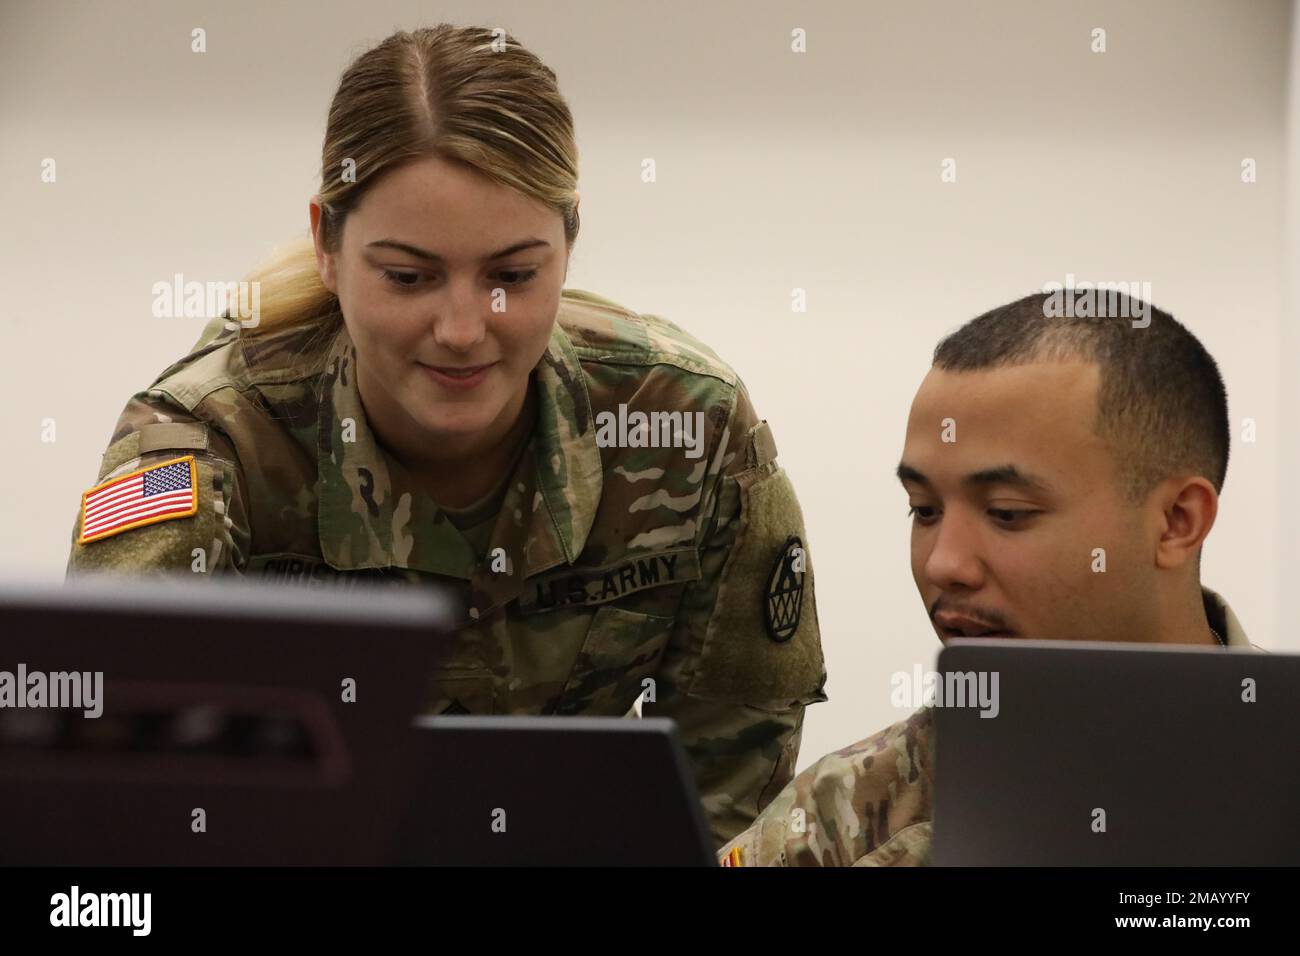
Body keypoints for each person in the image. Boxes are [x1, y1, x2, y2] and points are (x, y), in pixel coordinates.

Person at [65, 24, 827, 847]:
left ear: (569, 244)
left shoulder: (686, 427)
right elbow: (118, 811)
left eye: (511, 276)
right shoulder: (208, 449)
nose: (464, 328)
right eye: (408, 277)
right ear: (327, 244)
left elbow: (726, 805)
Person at [718, 290, 1261, 867]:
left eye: (1007, 513)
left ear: (1177, 522)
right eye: (924, 510)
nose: (942, 564)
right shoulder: (843, 814)